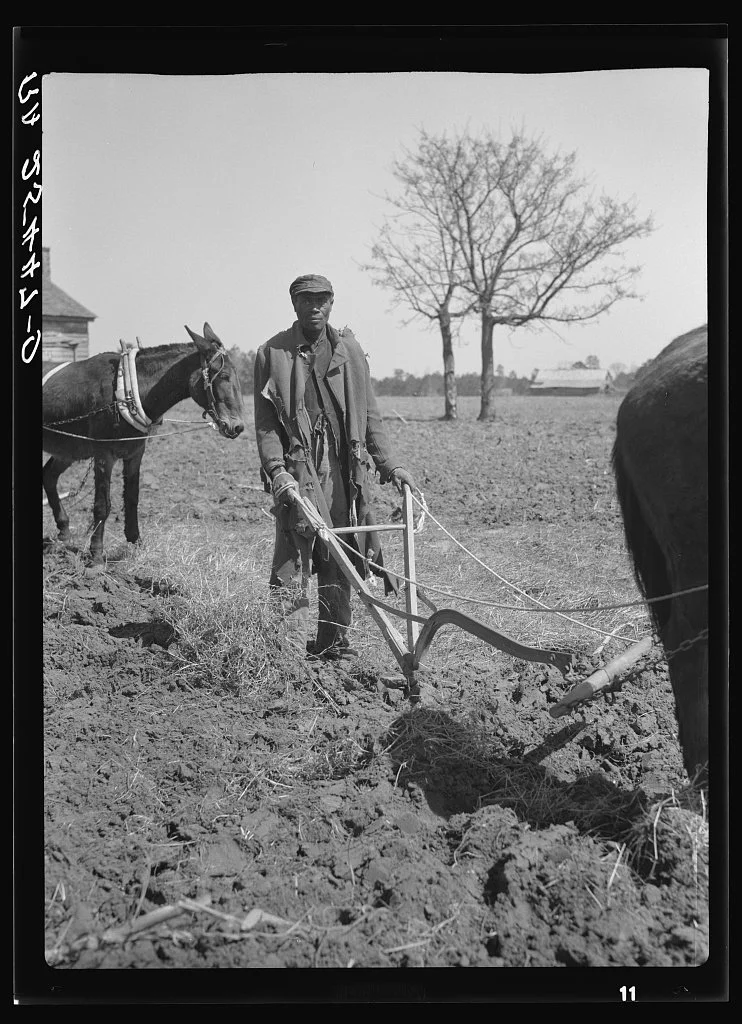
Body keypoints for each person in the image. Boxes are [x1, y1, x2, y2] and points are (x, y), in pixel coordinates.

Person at [254, 274, 417, 660]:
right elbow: (266, 424)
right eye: (307, 300)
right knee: (296, 547)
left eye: (322, 300)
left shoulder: (350, 350)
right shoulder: (273, 354)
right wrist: (277, 470)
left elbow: (369, 414)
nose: (315, 307)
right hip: (300, 466)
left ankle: (333, 643)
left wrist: (390, 465)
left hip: (346, 466)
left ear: (332, 304)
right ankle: (282, 649)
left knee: (342, 547)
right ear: (294, 305)